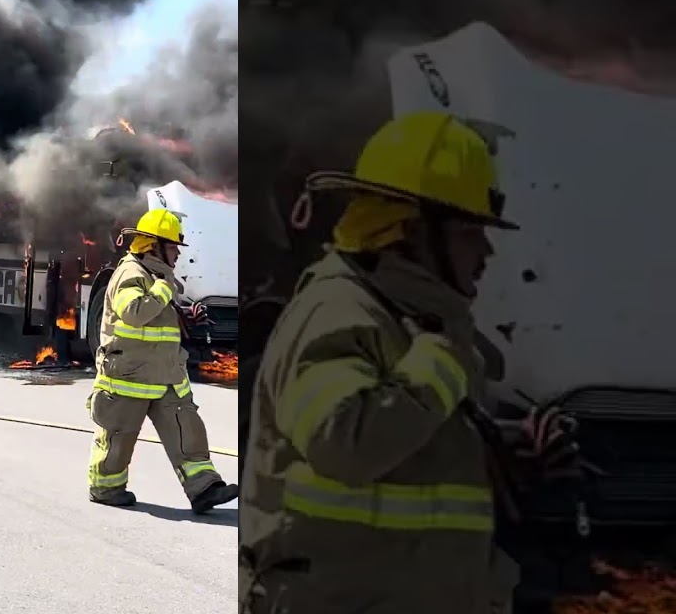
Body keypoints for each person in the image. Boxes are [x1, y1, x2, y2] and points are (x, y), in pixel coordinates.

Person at [240, 112, 581, 613]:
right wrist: (442, 361)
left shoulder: (409, 320)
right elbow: (344, 441)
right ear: (413, 231)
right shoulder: (340, 310)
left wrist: (496, 450)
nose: (486, 252)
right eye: (470, 234)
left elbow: (404, 455)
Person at [87, 208, 240, 514]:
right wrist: (162, 289)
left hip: (166, 374)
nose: (177, 255)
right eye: (172, 247)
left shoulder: (158, 276)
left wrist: (189, 318)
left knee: (187, 429)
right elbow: (133, 311)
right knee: (119, 438)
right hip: (129, 376)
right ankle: (106, 488)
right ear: (152, 246)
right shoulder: (132, 274)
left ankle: (204, 489)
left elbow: (159, 324)